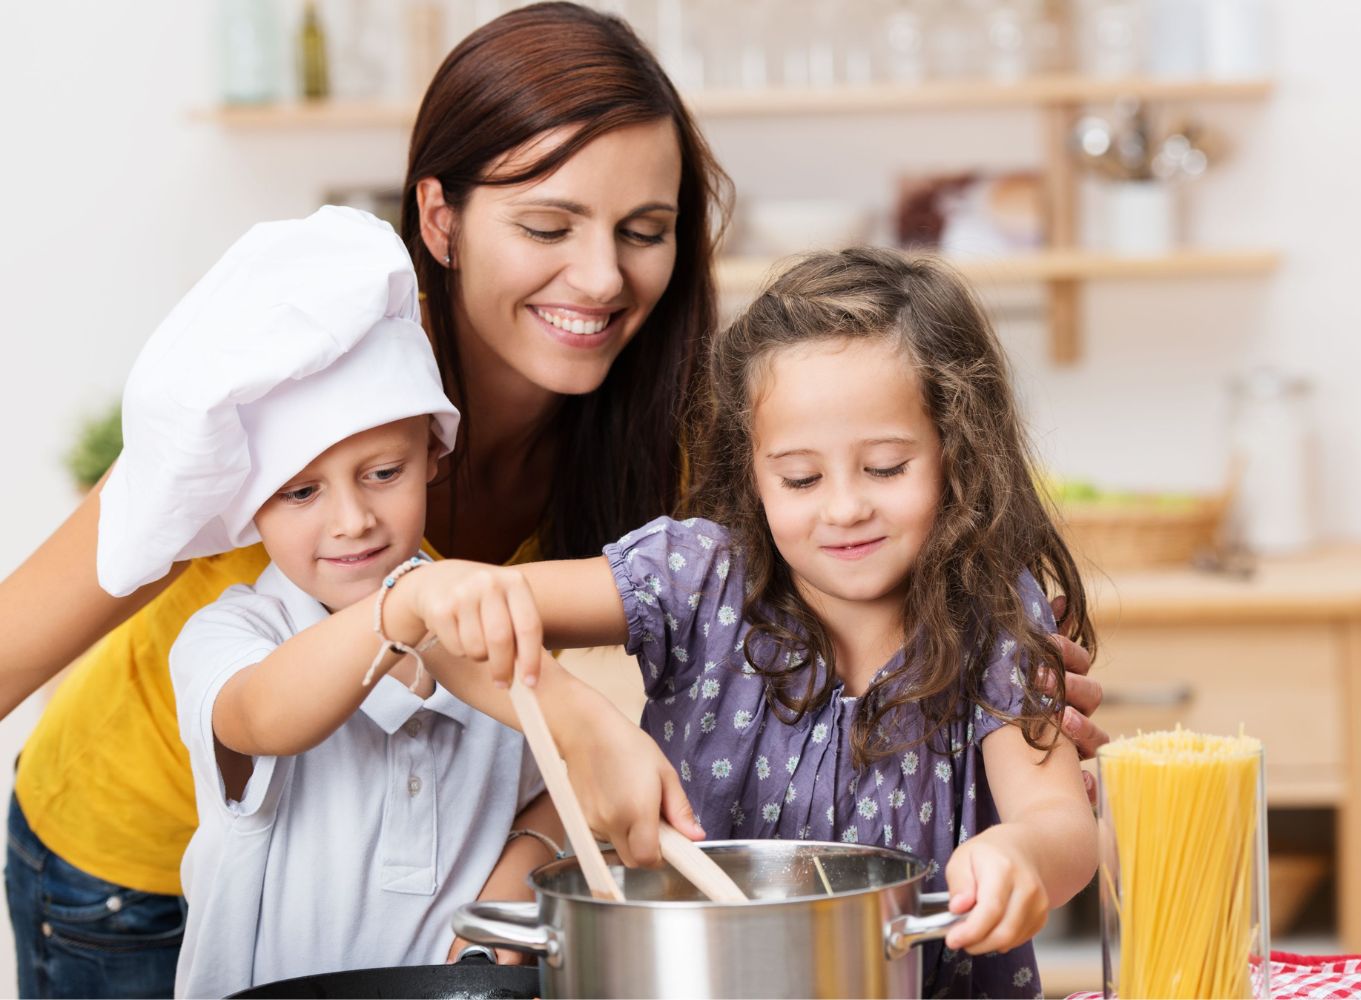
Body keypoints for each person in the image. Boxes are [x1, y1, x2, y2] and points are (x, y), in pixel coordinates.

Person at [0, 4, 1104, 997]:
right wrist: (575, 721)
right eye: (546, 225)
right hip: (138, 866)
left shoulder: (677, 440)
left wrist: (983, 671)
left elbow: (824, 606)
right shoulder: (307, 383)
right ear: (437, 217)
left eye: (643, 230)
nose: (600, 279)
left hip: (417, 902)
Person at [415, 248, 1101, 999]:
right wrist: (580, 722)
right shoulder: (696, 577)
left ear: (957, 453)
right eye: (800, 478)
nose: (843, 508)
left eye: (885, 467)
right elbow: (439, 615)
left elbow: (1062, 824)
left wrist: (1022, 856)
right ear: (752, 468)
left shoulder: (993, 612)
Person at [96, 205, 607, 996]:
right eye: (300, 491)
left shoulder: (491, 615)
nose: (352, 519)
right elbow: (264, 717)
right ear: (249, 505)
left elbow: (549, 782)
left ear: (432, 456)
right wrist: (407, 606)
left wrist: (519, 870)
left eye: (383, 472)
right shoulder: (232, 635)